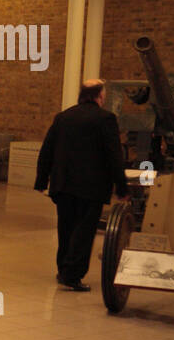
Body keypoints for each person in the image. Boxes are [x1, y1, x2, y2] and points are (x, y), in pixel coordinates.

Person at [35, 78, 129, 291]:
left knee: (65, 228)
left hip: (63, 184)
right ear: (101, 96)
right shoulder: (105, 119)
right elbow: (114, 156)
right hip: (91, 187)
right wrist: (122, 189)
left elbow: (47, 150)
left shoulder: (63, 117)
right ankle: (72, 275)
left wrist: (42, 180)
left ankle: (63, 270)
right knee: (84, 231)